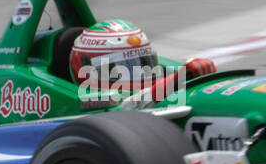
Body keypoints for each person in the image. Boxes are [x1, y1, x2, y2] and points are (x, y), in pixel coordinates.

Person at [68, 19, 217, 102]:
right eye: (119, 70)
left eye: (144, 63)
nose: (139, 74)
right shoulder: (96, 105)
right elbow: (131, 106)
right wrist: (180, 78)